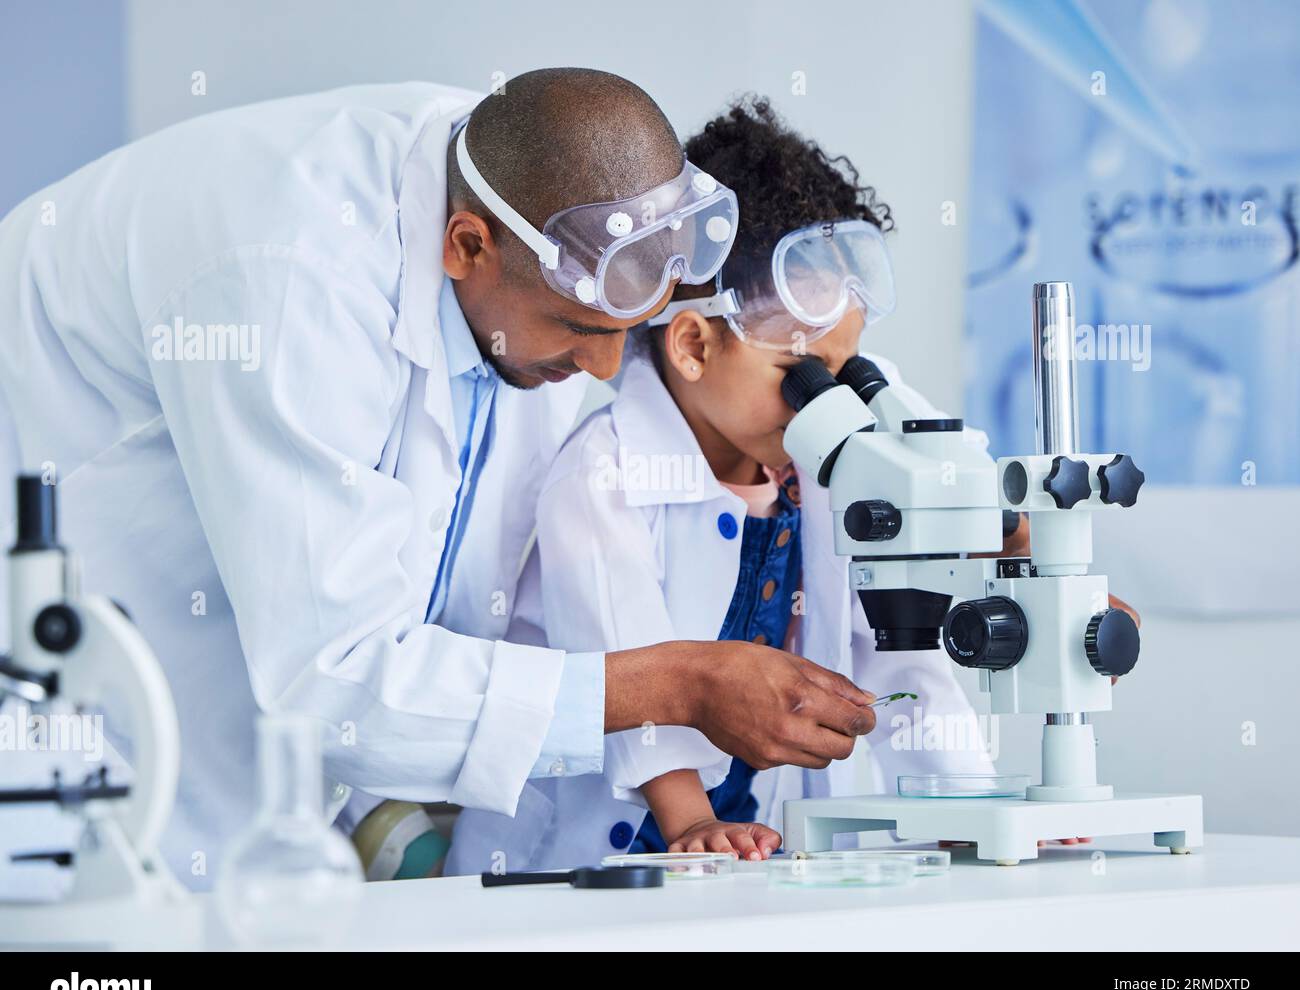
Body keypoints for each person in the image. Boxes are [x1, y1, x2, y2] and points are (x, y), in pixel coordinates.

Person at [0, 72, 875, 889]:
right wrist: (679, 682)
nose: (607, 365)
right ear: (466, 247)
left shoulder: (541, 192)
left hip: (250, 731)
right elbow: (336, 674)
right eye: (579, 328)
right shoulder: (294, 275)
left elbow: (438, 559)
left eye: (627, 330)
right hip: (76, 649)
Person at [446, 98, 1000, 874]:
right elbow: (630, 657)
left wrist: (978, 810)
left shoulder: (830, 473)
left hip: (747, 845)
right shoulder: (602, 473)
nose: (826, 404)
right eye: (798, 374)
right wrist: (690, 820)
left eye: (843, 376)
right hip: (579, 851)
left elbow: (901, 661)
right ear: (694, 344)